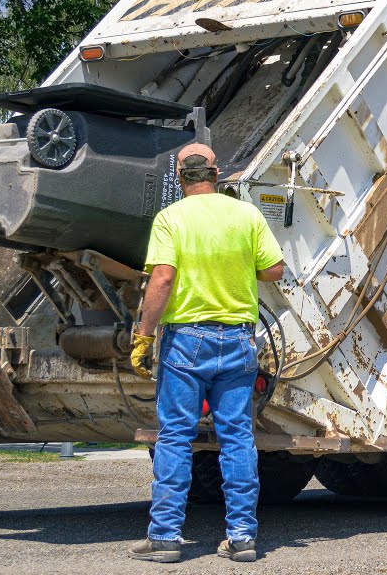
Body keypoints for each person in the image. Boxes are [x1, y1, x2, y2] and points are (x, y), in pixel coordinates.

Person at [127, 143, 285, 564]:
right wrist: (235, 262)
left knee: (176, 437)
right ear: (217, 173)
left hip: (186, 342)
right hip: (238, 340)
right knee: (237, 438)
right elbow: (273, 269)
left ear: (180, 177)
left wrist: (144, 335)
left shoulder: (170, 218)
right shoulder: (247, 215)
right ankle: (242, 539)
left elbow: (162, 278)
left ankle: (164, 539)